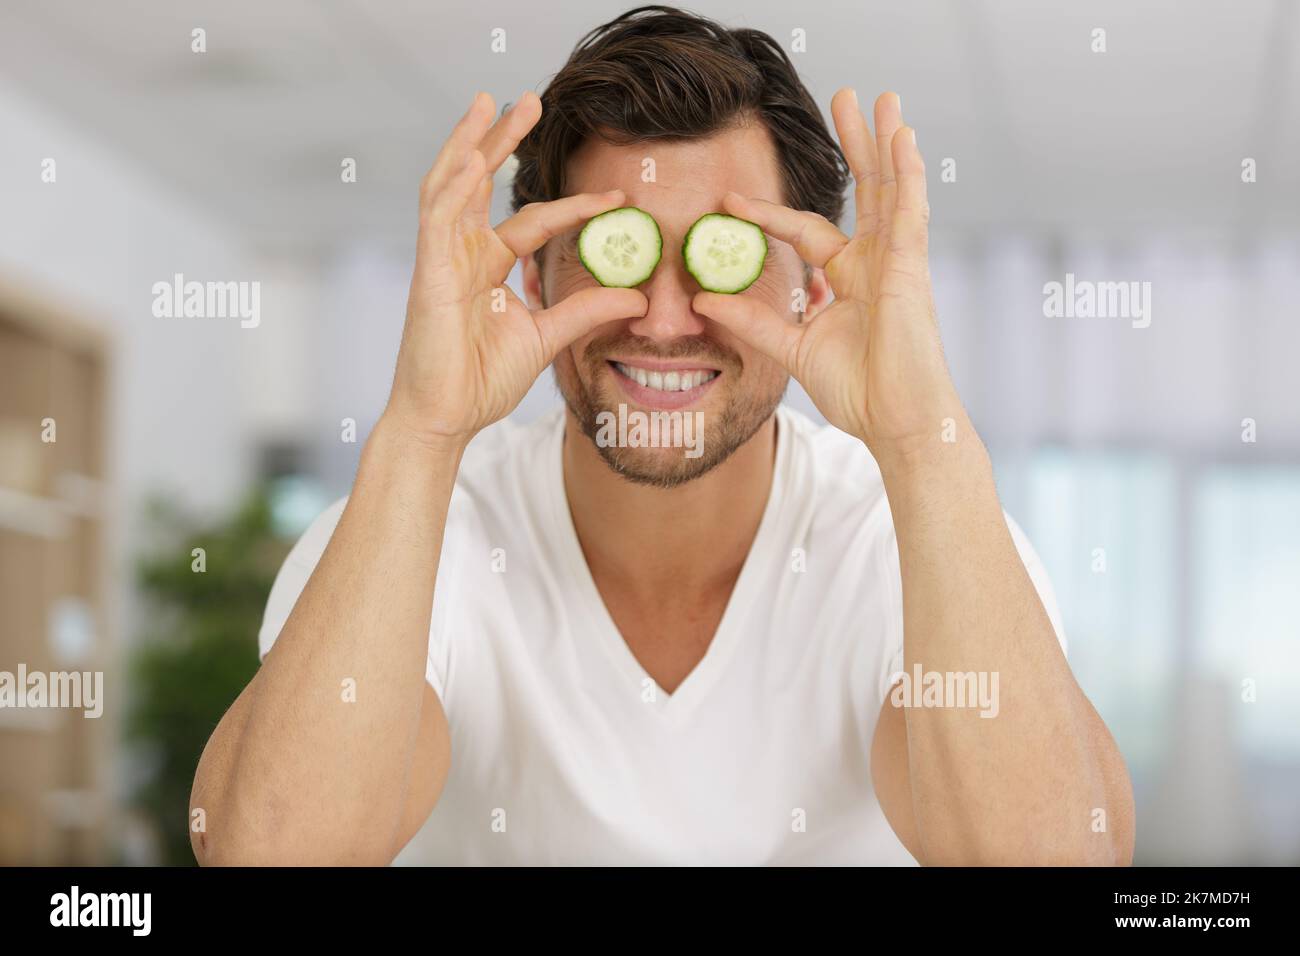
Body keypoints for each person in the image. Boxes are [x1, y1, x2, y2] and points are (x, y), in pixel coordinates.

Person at [190, 5, 1134, 866]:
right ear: (536, 282)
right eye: (622, 249)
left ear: (810, 287)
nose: (666, 318)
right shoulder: (414, 526)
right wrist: (421, 434)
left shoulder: (908, 540)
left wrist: (927, 449)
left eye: (727, 256)